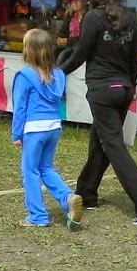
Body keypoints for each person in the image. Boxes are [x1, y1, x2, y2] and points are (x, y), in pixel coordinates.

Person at [59, 0, 137, 226]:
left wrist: (54, 73)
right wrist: (131, 89)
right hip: (124, 88)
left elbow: (80, 54)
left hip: (102, 90)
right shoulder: (130, 18)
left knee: (114, 146)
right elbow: (134, 61)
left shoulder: (93, 18)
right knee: (100, 141)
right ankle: (87, 193)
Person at [12, 28, 84, 229]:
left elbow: (20, 108)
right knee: (45, 167)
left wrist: (16, 134)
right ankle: (68, 197)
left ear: (27, 50)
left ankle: (37, 216)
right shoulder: (59, 75)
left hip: (34, 129)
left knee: (30, 171)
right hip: (54, 126)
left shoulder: (24, 75)